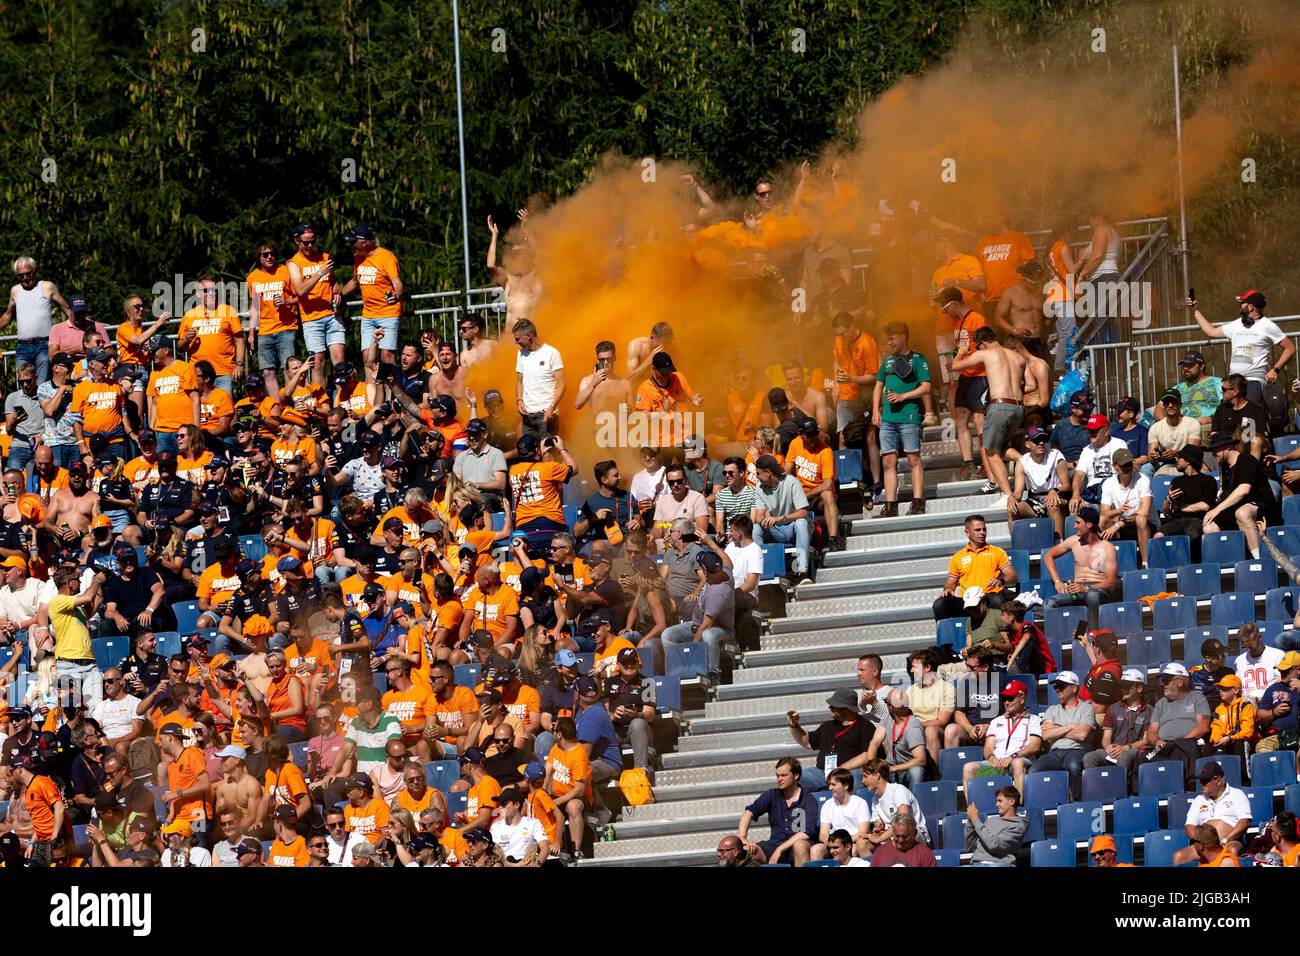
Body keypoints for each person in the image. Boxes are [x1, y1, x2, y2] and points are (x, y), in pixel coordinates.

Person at [950, 325, 1028, 502]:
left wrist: (962, 351)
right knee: (1001, 448)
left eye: (978, 347)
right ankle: (1027, 462)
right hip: (1018, 407)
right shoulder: (1018, 358)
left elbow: (955, 366)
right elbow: (1024, 384)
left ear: (982, 343)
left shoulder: (986, 353)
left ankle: (1007, 495)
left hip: (999, 406)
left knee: (990, 451)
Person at [1191, 290, 1294, 405]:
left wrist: (1275, 370)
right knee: (1225, 416)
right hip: (1233, 381)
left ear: (1250, 307)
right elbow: (1211, 331)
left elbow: (1290, 348)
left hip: (1254, 381)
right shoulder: (1237, 324)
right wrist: (1195, 311)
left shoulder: (1268, 326)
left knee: (1249, 415)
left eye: (1242, 303)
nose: (1239, 305)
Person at [872, 320, 930, 517]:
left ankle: (918, 501)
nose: (889, 343)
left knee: (913, 458)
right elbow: (878, 385)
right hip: (887, 418)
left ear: (903, 337)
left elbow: (926, 386)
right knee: (888, 461)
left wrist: (903, 397)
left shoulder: (918, 360)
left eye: (892, 338)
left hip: (909, 416)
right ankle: (890, 505)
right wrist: (875, 410)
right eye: (887, 339)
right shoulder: (887, 361)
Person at [935, 287, 988, 481]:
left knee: (979, 421)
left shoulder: (977, 319)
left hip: (979, 375)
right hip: (965, 377)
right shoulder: (956, 322)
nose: (944, 313)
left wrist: (962, 360)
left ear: (955, 304)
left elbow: (985, 349)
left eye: (945, 308)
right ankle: (968, 463)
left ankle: (986, 463)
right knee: (960, 419)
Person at [1041, 506, 1118, 632]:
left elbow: (1111, 583)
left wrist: (1086, 588)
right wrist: (1057, 581)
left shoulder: (1107, 548)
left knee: (1092, 596)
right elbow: (1048, 556)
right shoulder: (1074, 542)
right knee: (1049, 603)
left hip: (1098, 592)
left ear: (1089, 524)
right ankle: (1056, 639)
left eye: (1078, 523)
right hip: (1077, 592)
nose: (1074, 526)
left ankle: (1092, 633)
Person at [1205, 430, 1278, 561]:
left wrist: (1217, 509)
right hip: (1238, 509)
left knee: (1242, 512)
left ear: (1226, 447)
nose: (1213, 454)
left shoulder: (1246, 460)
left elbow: (1244, 489)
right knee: (1209, 525)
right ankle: (1232, 560)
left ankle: (1258, 560)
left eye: (1215, 450)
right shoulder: (1226, 469)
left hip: (1261, 507)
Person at [961, 679, 1041, 798]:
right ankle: (971, 809)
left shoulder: (1034, 720)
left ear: (1022, 698)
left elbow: (1035, 746)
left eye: (1011, 698)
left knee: (1018, 763)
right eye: (1004, 699)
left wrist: (1013, 756)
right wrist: (991, 757)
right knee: (968, 767)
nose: (1007, 702)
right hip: (997, 761)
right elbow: (988, 747)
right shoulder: (996, 721)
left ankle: (1018, 806)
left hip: (1019, 759)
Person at [3, 255, 75, 384]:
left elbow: (66, 308)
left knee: (41, 384)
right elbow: (8, 315)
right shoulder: (15, 290)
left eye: (28, 274)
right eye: (20, 275)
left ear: (34, 271)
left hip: (43, 345)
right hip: (22, 347)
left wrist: (90, 324)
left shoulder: (46, 287)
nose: (25, 278)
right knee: (23, 384)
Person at [786, 689, 875, 792]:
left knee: (855, 779)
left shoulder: (865, 726)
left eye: (834, 706)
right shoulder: (827, 726)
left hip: (848, 773)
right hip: (822, 772)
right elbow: (807, 742)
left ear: (846, 708)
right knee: (794, 778)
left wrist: (842, 768)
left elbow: (867, 755)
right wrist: (794, 726)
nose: (830, 707)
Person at [736, 757, 819, 867]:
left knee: (800, 846)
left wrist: (780, 849)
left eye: (784, 775)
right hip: (773, 845)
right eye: (777, 775)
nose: (779, 779)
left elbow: (807, 832)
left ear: (796, 775)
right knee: (745, 850)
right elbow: (748, 812)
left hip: (796, 846)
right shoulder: (772, 795)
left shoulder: (808, 800)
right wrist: (742, 838)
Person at [1141, 662, 1212, 788]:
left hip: (1186, 744)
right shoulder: (1161, 703)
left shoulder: (1196, 698)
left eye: (1166, 680)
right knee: (1144, 757)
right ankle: (1151, 791)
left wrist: (1181, 741)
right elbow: (1152, 731)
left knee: (1177, 756)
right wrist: (1157, 741)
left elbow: (1203, 727)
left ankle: (1173, 787)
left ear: (1180, 682)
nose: (1163, 684)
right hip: (1164, 746)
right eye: (1162, 680)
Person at [933, 514, 1016, 620]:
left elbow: (1012, 575)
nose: (982, 533)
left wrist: (1001, 581)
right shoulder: (958, 557)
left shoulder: (997, 552)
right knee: (939, 604)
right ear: (967, 533)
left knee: (997, 600)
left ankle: (998, 634)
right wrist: (948, 589)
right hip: (968, 601)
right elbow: (950, 582)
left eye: (984, 529)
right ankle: (948, 635)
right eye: (977, 530)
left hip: (989, 598)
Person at [1028, 670, 1093, 800]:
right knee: (1034, 770)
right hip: (1055, 752)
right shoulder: (1052, 709)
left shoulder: (1086, 707)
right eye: (1056, 686)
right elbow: (1046, 735)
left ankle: (1077, 801)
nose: (1057, 689)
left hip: (1077, 750)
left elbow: (1082, 735)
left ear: (1074, 688)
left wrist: (1056, 729)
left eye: (1061, 686)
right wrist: (1071, 726)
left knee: (1073, 767)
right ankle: (1042, 802)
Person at [749, 454, 811, 583]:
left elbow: (803, 513)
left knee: (801, 523)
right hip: (775, 530)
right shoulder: (760, 488)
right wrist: (764, 520)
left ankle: (802, 571)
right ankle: (762, 571)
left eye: (758, 473)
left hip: (792, 526)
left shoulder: (791, 482)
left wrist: (778, 519)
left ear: (768, 473)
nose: (757, 476)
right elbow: (759, 517)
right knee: (755, 528)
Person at [1177, 760, 1252, 860]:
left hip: (1230, 841)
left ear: (1219, 781)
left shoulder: (1237, 795)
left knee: (1231, 850)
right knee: (1180, 856)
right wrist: (1203, 840)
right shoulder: (1199, 800)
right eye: (1201, 780)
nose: (1202, 784)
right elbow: (1189, 826)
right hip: (1204, 845)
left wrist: (1225, 840)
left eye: (1205, 781)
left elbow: (1245, 821)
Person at [1083, 668, 1152, 775]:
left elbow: (1146, 740)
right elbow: (1106, 737)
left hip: (1135, 749)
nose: (1123, 689)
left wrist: (1126, 748)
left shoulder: (1149, 711)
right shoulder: (1113, 708)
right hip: (1115, 749)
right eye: (1121, 686)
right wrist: (1108, 746)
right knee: (1089, 757)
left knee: (1125, 757)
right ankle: (1096, 788)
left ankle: (1118, 789)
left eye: (1127, 686)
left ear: (1139, 688)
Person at [1007, 426, 1070, 540]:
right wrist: (1011, 498)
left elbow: (1066, 485)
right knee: (1013, 508)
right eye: (1036, 440)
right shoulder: (1022, 462)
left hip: (1057, 495)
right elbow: (1018, 492)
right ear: (1028, 444)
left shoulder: (1056, 455)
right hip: (1035, 499)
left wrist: (1054, 490)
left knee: (1052, 504)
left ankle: (1059, 542)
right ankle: (1017, 545)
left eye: (1044, 440)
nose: (1041, 443)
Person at [1098, 447, 1154, 566]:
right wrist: (1118, 511)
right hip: (1125, 526)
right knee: (1103, 521)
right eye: (1124, 465)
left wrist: (1118, 524)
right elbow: (1104, 512)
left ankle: (1145, 563)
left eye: (1130, 463)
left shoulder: (1143, 480)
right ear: (1115, 466)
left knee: (1140, 519)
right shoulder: (1108, 484)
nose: (1128, 467)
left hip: (1146, 525)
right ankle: (1111, 563)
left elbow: (1143, 512)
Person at [512, 319, 564, 438]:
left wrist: (552, 408)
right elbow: (519, 381)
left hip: (547, 414)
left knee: (547, 453)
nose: (516, 342)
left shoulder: (552, 353)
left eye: (517, 338)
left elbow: (562, 384)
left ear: (529, 336)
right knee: (530, 454)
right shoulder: (521, 354)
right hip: (528, 416)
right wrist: (519, 399)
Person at [1155, 445, 1216, 546]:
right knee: (1158, 536)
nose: (1176, 459)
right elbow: (1165, 510)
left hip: (1196, 520)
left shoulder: (1207, 480)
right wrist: (1169, 500)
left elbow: (1205, 506)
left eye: (1180, 457)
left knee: (1192, 536)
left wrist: (1179, 508)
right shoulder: (1176, 481)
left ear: (1188, 461)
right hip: (1176, 521)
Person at [867, 689, 926, 791]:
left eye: (886, 702)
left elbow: (921, 760)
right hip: (889, 767)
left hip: (906, 769)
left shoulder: (913, 728)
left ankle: (915, 802)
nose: (885, 705)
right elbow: (875, 742)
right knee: (862, 774)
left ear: (892, 707)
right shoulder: (888, 717)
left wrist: (893, 769)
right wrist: (870, 766)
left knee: (916, 771)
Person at [809, 767, 871, 860]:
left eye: (833, 784)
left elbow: (863, 832)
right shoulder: (827, 804)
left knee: (851, 850)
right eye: (829, 784)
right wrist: (826, 839)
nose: (830, 788)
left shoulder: (860, 803)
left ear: (845, 785)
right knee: (816, 849)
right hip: (833, 843)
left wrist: (841, 843)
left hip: (852, 842)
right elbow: (822, 833)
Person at [1071, 413, 1129, 508]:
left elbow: (1123, 473)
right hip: (1092, 494)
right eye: (1089, 431)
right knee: (1074, 507)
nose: (1091, 434)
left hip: (1113, 492)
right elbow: (1079, 475)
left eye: (1094, 431)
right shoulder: (1087, 450)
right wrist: (1075, 495)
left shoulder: (1119, 444)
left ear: (1105, 431)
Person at [965, 785, 1027, 867]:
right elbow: (970, 846)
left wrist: (976, 820)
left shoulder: (1018, 826)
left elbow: (995, 845)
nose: (996, 804)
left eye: (1000, 801)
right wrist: (971, 821)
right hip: (977, 864)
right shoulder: (990, 821)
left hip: (999, 864)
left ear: (1011, 802)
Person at [1147, 391, 1202, 476]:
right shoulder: (1155, 427)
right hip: (1163, 463)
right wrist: (1155, 456)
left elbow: (1193, 453)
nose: (1170, 405)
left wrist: (1176, 453)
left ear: (1180, 404)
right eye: (1166, 403)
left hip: (1186, 463)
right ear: (1163, 406)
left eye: (1174, 402)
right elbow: (1150, 457)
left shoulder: (1192, 423)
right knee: (1145, 469)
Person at [1255, 650, 1300, 753]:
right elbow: (1260, 715)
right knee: (1263, 750)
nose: (1281, 672)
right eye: (1280, 670)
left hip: (1298, 733)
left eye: (1286, 670)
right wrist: (1274, 712)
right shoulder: (1273, 688)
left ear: (1298, 670)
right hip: (1278, 734)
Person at [1207, 673, 1257, 766]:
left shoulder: (1245, 705)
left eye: (1225, 688)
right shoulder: (1219, 708)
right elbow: (1216, 727)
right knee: (1208, 747)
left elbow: (1248, 731)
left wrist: (1230, 738)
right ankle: (1210, 778)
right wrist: (1218, 740)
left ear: (1236, 690)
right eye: (1220, 688)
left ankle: (1243, 777)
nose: (1221, 691)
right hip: (1226, 740)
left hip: (1244, 740)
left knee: (1240, 744)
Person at [1234, 621, 1286, 704]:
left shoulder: (1277, 655)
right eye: (1245, 646)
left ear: (1259, 637)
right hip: (1246, 704)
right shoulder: (1239, 660)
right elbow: (1238, 686)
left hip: (1270, 702)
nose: (1248, 650)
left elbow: (1280, 684)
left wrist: (1261, 699)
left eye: (1251, 646)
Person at [868, 815, 936, 867]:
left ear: (914, 833)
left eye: (905, 836)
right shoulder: (880, 852)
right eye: (897, 836)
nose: (900, 840)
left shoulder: (924, 854)